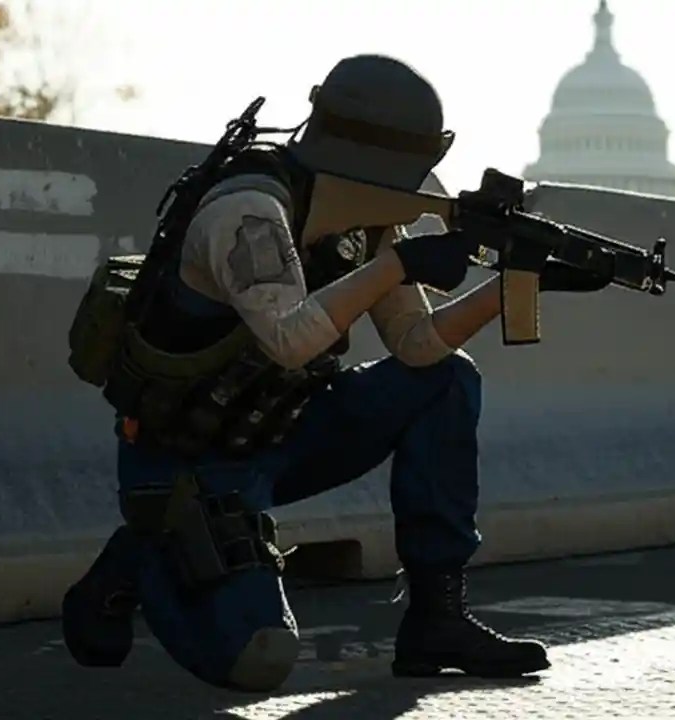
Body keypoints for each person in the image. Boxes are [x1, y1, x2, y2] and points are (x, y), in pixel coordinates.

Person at [59, 54, 609, 692]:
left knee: (449, 380)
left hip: (280, 436)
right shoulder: (249, 211)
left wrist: (518, 283)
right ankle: (137, 556)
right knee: (259, 658)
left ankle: (438, 617)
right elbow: (290, 339)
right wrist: (399, 263)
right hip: (186, 462)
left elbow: (417, 345)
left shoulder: (363, 219)